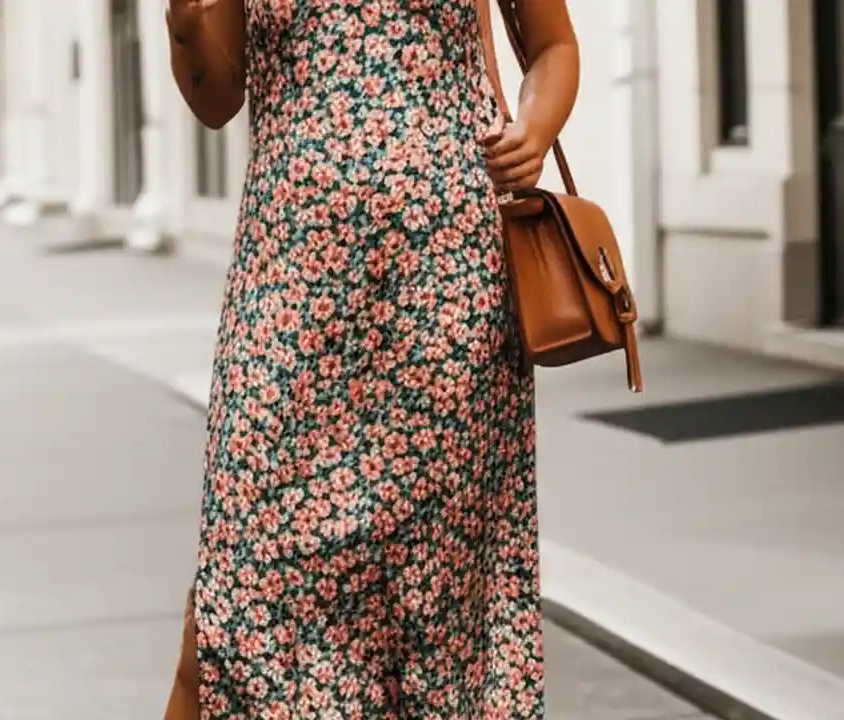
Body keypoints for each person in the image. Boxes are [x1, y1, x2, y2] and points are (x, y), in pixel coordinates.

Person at [163, 0, 580, 717]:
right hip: (287, 289)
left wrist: (534, 129)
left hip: (446, 289)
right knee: (242, 579)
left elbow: (554, 47)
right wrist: (182, 24)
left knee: (433, 594)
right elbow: (214, 98)